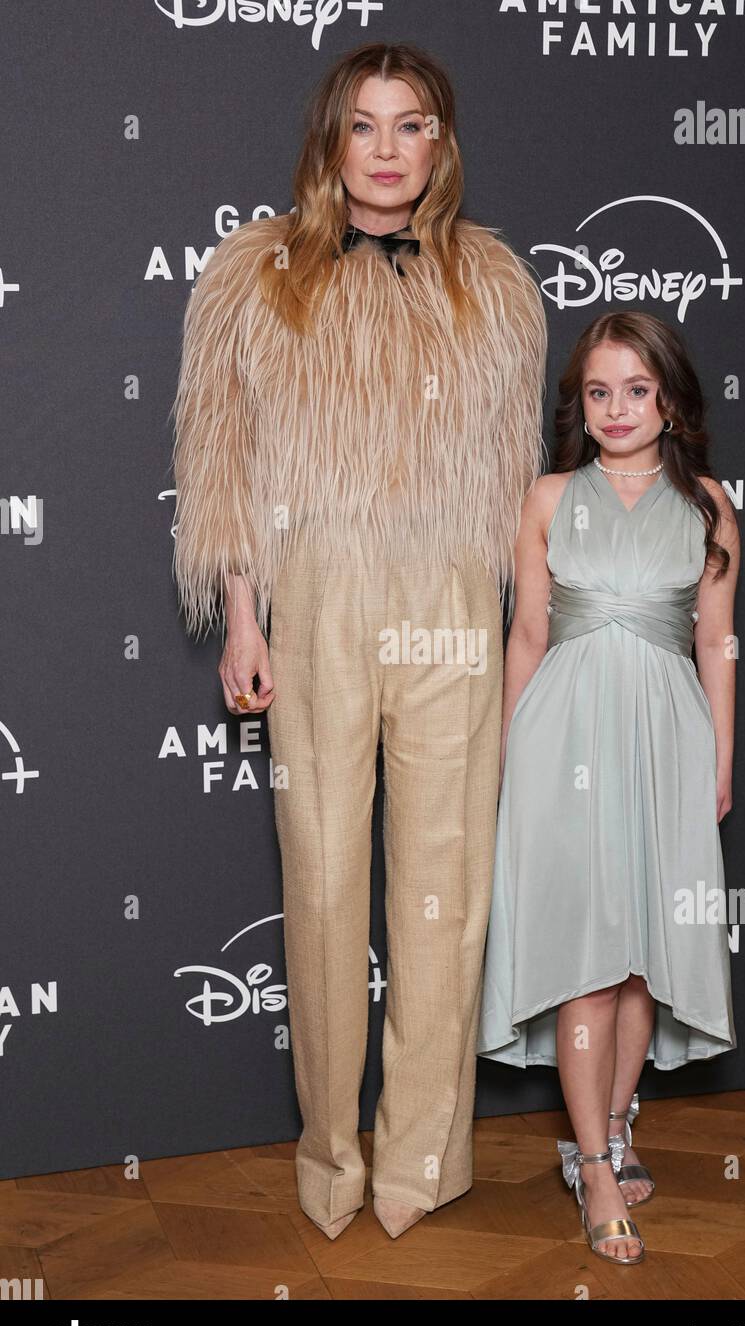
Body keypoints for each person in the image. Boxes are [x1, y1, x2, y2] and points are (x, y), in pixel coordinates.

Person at [170, 43, 547, 1241]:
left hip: (451, 597)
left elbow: (515, 489)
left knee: (444, 895)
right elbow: (218, 459)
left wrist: (516, 629)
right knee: (324, 882)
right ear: (331, 139)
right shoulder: (253, 274)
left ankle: (422, 1163)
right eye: (364, 125)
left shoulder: (495, 284)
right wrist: (243, 611)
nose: (386, 148)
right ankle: (329, 1160)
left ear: (440, 143)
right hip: (317, 592)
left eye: (412, 124)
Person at [477, 311, 738, 1264]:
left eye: (636, 389)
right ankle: (592, 1165)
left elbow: (716, 643)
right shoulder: (547, 498)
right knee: (588, 962)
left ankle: (618, 1126)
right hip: (564, 741)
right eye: (598, 392)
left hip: (667, 742)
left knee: (638, 966)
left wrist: (717, 762)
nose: (617, 408)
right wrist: (511, 758)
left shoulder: (707, 504)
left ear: (668, 398)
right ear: (577, 405)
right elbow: (527, 638)